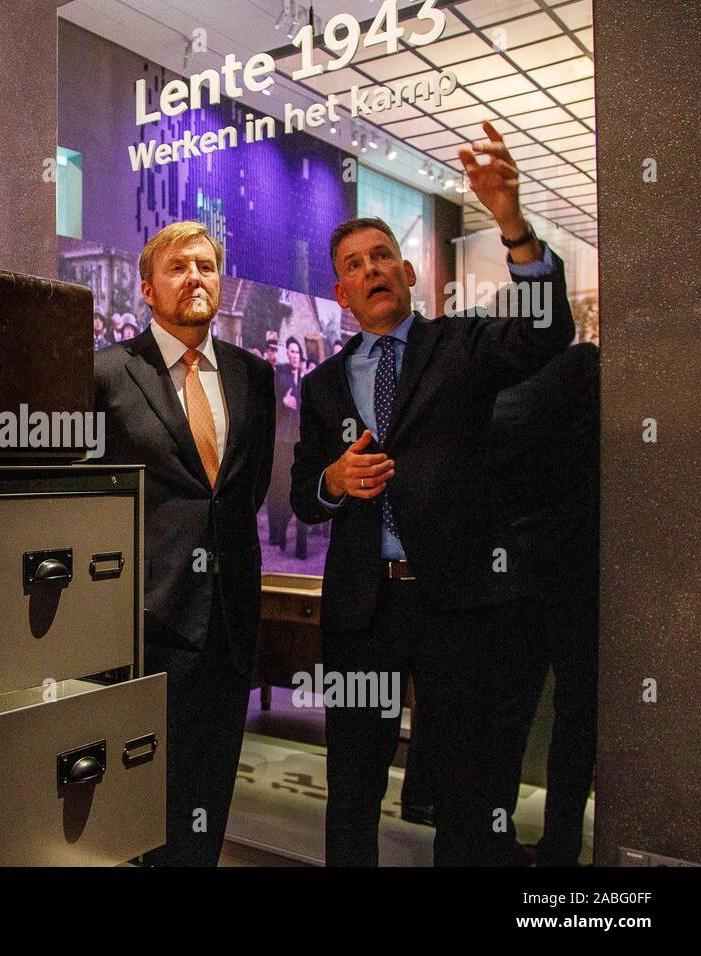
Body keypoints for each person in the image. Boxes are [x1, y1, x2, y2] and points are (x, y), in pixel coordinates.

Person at [289, 120, 574, 866]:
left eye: (384, 255)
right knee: (351, 784)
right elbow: (300, 495)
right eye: (355, 263)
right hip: (361, 610)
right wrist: (332, 480)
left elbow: (547, 332)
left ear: (409, 274)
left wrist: (511, 223)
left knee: (469, 786)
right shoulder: (319, 387)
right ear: (342, 291)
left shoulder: (462, 345)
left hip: (456, 604)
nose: (373, 268)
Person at [95, 220, 275, 866]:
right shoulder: (107, 375)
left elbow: (242, 496)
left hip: (227, 629)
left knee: (205, 813)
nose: (195, 277)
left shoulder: (255, 376)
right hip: (144, 627)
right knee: (133, 811)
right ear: (146, 288)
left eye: (205, 265)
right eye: (178, 267)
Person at [489, 341, 600, 866]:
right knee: (576, 718)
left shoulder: (497, 387)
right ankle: (560, 849)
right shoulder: (582, 368)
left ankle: (495, 840)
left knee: (508, 717)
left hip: (515, 572)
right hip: (581, 570)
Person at [269, 337, 307, 559]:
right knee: (280, 489)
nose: (295, 355)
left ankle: (287, 534)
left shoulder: (302, 379)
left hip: (298, 442)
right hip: (282, 442)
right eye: (292, 352)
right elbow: (271, 402)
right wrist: (282, 403)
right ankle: (277, 533)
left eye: (297, 353)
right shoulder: (280, 375)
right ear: (287, 354)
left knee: (295, 488)